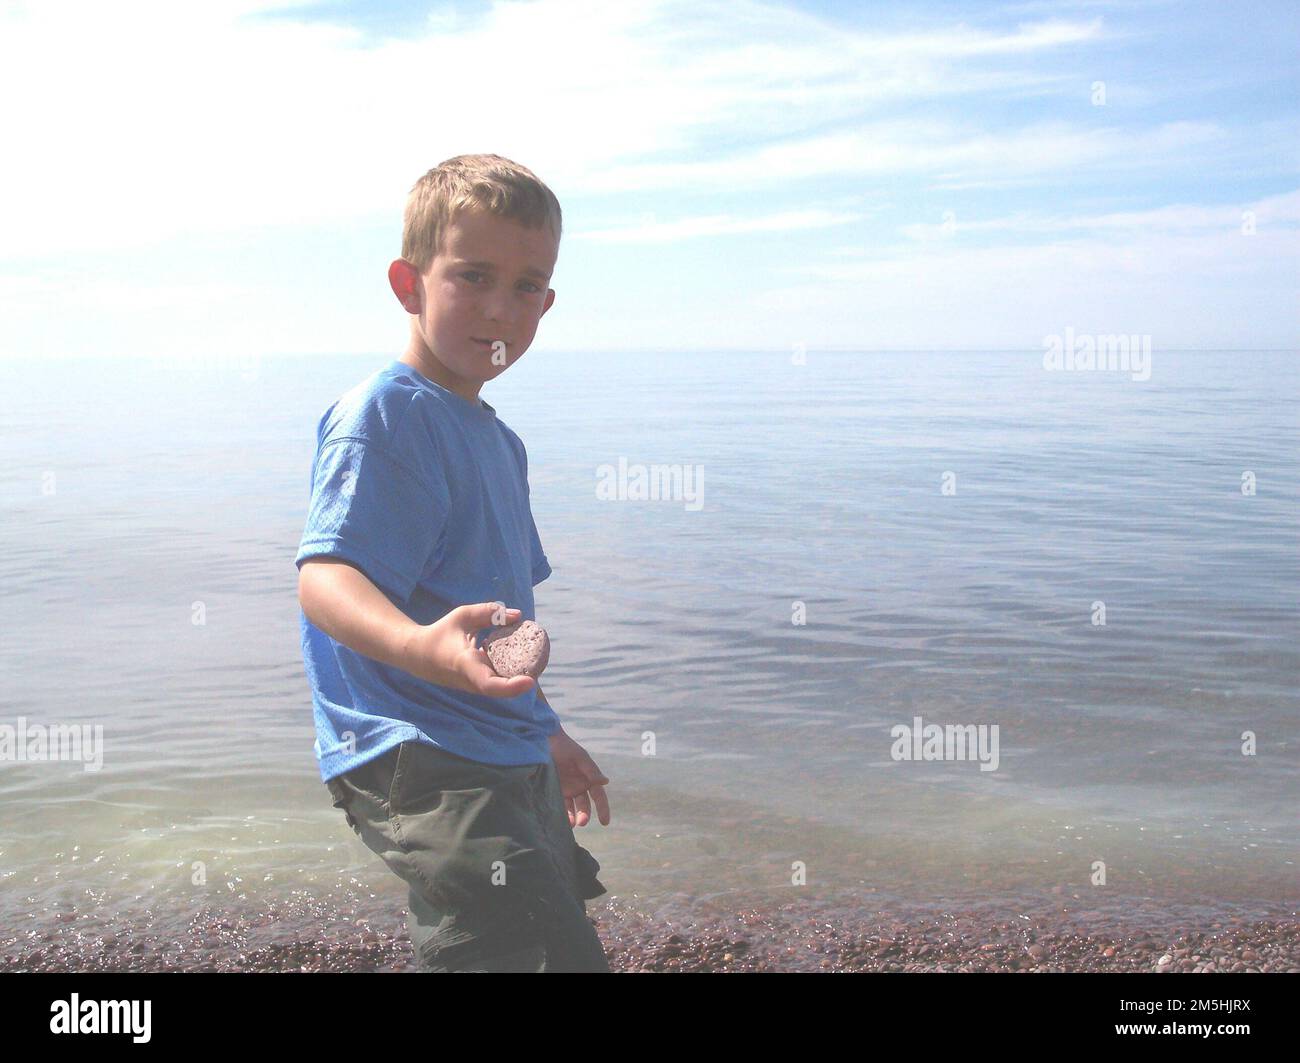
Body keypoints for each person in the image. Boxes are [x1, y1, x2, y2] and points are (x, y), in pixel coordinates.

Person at [295, 154, 611, 972]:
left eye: (526, 286)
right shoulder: (386, 417)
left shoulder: (502, 444)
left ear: (548, 301)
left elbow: (504, 627)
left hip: (504, 747)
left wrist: (549, 730)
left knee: (567, 940)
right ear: (409, 284)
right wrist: (423, 646)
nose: (499, 308)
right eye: (472, 276)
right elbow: (325, 579)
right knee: (499, 938)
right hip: (414, 747)